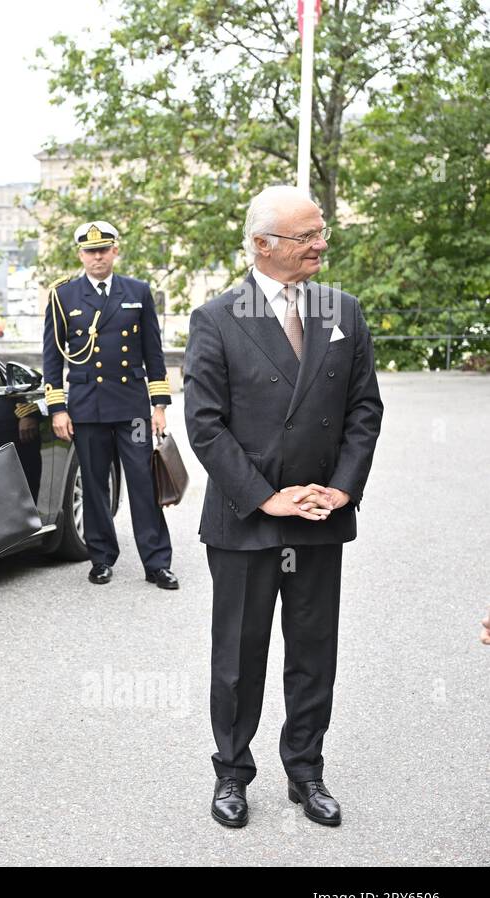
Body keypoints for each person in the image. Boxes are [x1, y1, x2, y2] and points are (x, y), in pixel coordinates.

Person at [183, 185, 383, 829]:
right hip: (248, 519)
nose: (321, 244)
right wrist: (269, 497)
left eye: (321, 232)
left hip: (322, 515)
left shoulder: (342, 310)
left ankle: (307, 771)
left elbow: (363, 410)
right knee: (238, 656)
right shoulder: (217, 317)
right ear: (263, 246)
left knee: (313, 650)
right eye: (307, 237)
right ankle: (232, 773)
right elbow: (206, 425)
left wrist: (342, 488)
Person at [42, 220, 178, 589]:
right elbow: (52, 358)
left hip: (131, 406)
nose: (97, 256)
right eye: (90, 251)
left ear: (115, 250)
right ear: (80, 255)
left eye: (103, 249)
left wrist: (160, 405)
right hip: (86, 407)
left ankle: (157, 562)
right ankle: (101, 558)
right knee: (95, 486)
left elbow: (154, 352)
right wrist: (57, 408)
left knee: (142, 484)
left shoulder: (138, 291)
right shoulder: (63, 296)